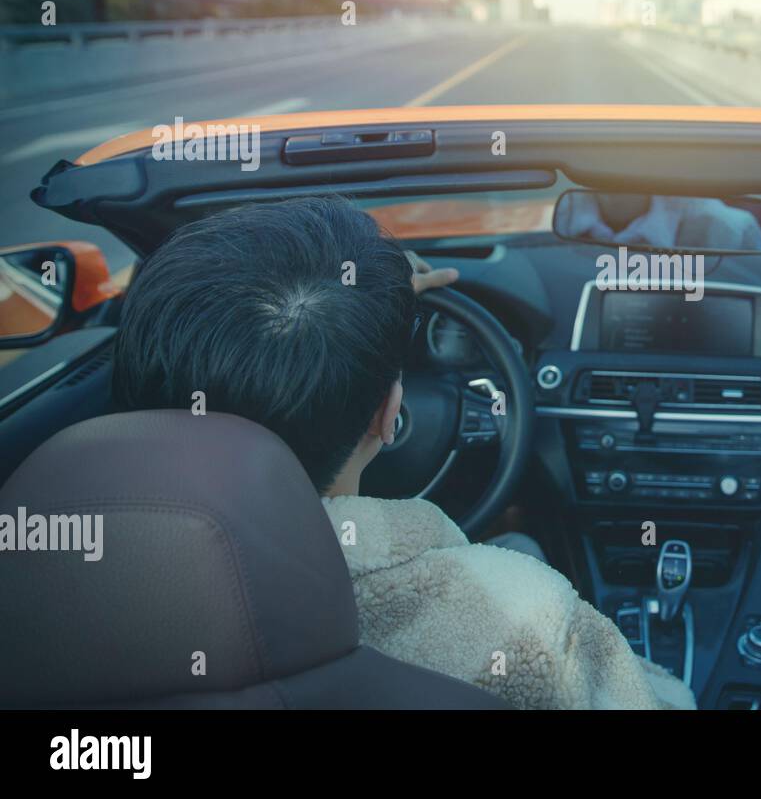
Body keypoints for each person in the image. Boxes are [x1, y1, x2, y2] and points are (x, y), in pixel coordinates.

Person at [112, 196, 694, 710]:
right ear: (391, 415)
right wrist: (363, 318)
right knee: (522, 546)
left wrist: (355, 314)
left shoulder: (70, 586)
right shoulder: (527, 619)